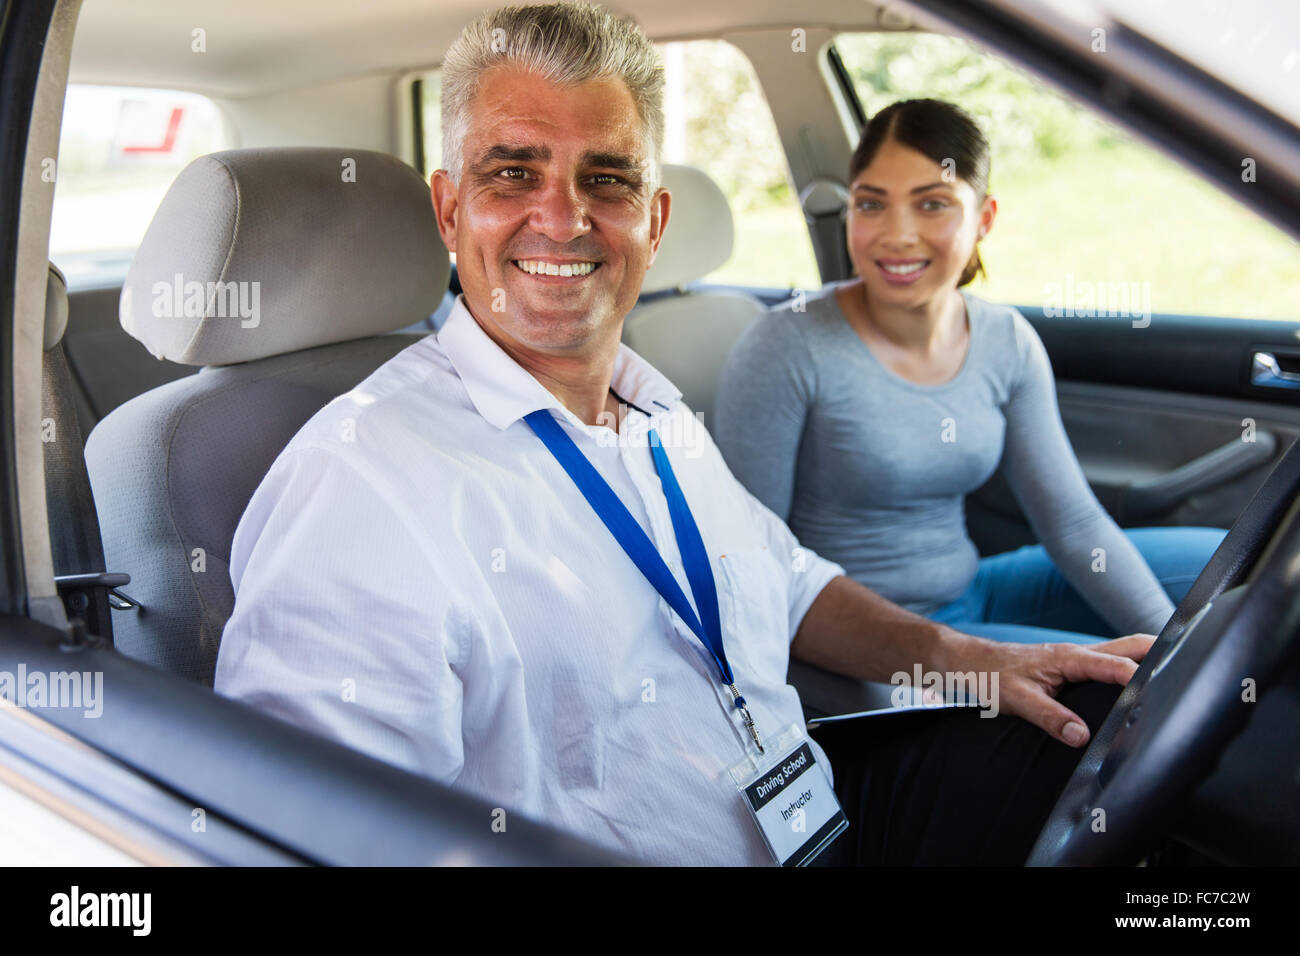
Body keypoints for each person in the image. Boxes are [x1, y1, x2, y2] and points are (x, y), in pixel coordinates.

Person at [214, 2, 1153, 866]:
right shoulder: (361, 488)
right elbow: (314, 835)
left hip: (817, 811)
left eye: (608, 178)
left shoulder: (652, 407)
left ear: (653, 222)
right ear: (450, 208)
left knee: (1116, 720)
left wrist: (974, 662)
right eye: (513, 172)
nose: (563, 216)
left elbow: (783, 582)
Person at [715, 98, 1225, 647]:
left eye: (932, 204)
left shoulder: (1005, 341)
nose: (897, 234)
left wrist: (1165, 645)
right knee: (1108, 682)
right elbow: (750, 565)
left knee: (1231, 563)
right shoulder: (786, 345)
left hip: (973, 592)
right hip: (870, 644)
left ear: (984, 219)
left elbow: (1074, 525)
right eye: (871, 204)